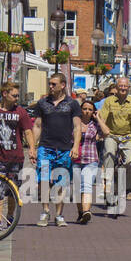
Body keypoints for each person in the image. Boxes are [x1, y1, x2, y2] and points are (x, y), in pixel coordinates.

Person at [0, 80, 35, 228]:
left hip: (16, 157)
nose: (17, 98)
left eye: (18, 96)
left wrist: (32, 148)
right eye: (14, 95)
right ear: (5, 94)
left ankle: (10, 215)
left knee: (12, 190)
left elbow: (28, 131)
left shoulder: (20, 112)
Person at [32, 72, 81, 226]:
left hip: (65, 149)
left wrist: (76, 146)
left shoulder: (72, 104)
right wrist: (33, 147)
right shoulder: (42, 103)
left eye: (54, 84)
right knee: (44, 181)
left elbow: (77, 126)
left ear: (63, 85)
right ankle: (45, 211)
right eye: (50, 84)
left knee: (61, 183)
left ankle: (59, 215)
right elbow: (37, 125)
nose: (51, 87)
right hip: (45, 148)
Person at [97, 76, 131, 212]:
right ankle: (109, 184)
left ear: (129, 88)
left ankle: (128, 188)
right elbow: (103, 117)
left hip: (128, 136)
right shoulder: (109, 101)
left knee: (130, 162)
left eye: (125, 86)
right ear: (116, 88)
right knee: (109, 154)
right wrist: (102, 131)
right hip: (112, 135)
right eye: (120, 86)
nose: (122, 88)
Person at [75, 99, 103, 223]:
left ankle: (87, 211)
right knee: (77, 188)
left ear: (93, 112)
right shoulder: (74, 123)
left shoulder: (95, 125)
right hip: (75, 159)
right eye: (85, 109)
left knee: (86, 185)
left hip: (91, 159)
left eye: (90, 109)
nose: (87, 111)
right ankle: (81, 213)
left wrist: (98, 118)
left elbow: (107, 132)